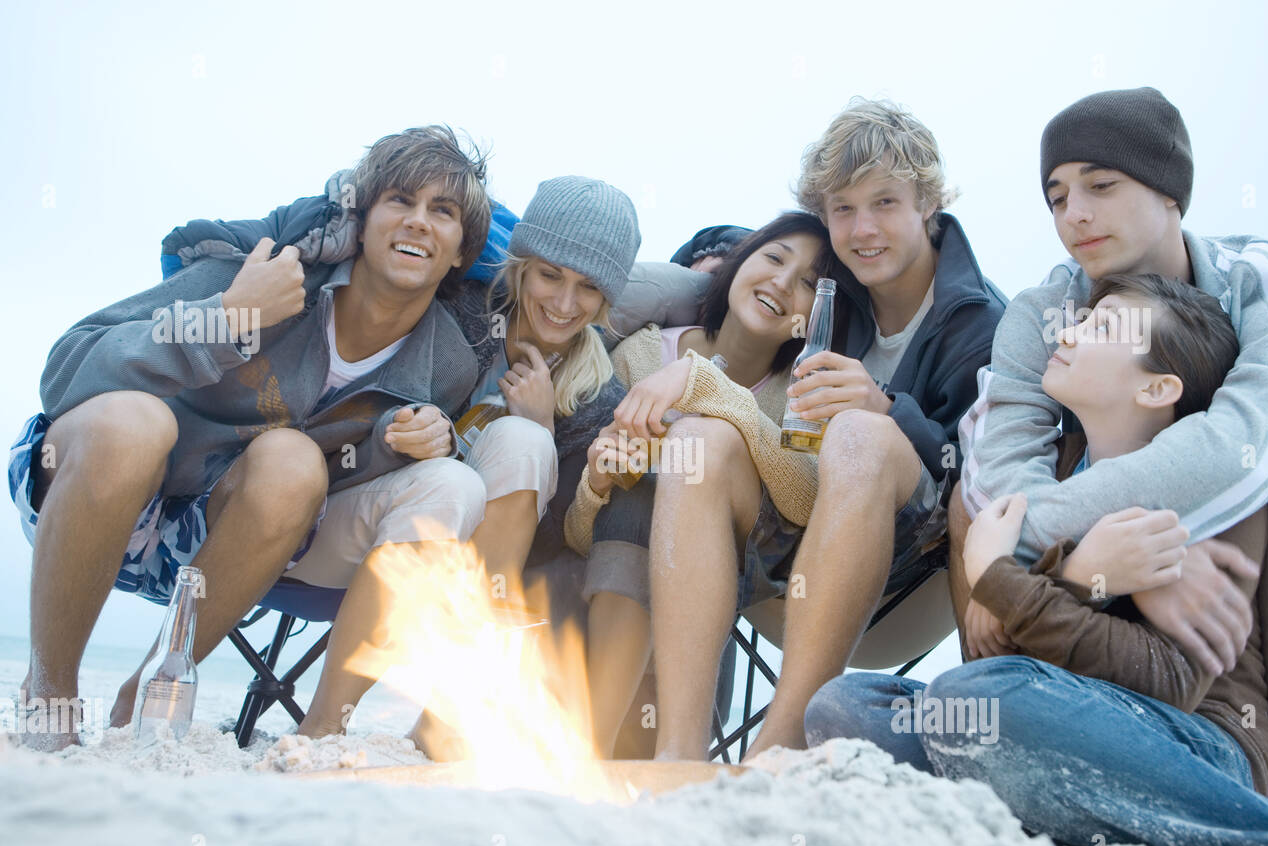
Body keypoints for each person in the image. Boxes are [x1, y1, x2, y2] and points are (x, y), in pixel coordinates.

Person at [808, 274, 1268, 846]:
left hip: (1195, 750)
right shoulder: (1052, 469)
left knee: (986, 701)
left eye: (1102, 327)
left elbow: (1168, 683)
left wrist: (1001, 580)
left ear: (1158, 387)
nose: (1068, 333)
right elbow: (1019, 650)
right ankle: (1059, 829)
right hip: (1064, 725)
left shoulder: (1212, 486)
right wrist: (1077, 574)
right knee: (848, 706)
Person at [10, 125, 494, 750]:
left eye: (443, 212)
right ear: (364, 221)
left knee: (292, 462)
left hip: (219, 543)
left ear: (460, 250)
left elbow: (331, 483)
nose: (419, 222)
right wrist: (229, 318)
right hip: (96, 488)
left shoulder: (447, 364)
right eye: (400, 200)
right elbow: (67, 368)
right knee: (137, 426)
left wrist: (398, 445)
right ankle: (49, 697)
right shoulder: (263, 267)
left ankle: (148, 693)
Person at [950, 87, 1268, 815]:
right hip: (1079, 631)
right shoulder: (1047, 311)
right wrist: (1088, 563)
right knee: (967, 500)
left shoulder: (1256, 278)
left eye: (1101, 186)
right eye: (1056, 196)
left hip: (1217, 683)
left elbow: (1243, 449)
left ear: (1171, 194)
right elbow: (999, 469)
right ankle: (997, 724)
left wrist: (1154, 540)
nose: (1073, 213)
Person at [631, 98, 1006, 761]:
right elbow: (720, 286)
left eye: (885, 203)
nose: (863, 229)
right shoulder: (828, 287)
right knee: (697, 440)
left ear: (929, 203)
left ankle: (777, 751)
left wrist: (887, 407)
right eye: (843, 209)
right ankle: (679, 758)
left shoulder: (978, 318)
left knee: (859, 433)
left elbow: (982, 475)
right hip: (793, 542)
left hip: (910, 578)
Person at [283, 174, 641, 748]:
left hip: (465, 574)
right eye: (550, 275)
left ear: (607, 299)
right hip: (346, 525)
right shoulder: (457, 309)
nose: (565, 304)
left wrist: (545, 428)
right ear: (521, 264)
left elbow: (543, 554)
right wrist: (408, 434)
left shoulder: (598, 399)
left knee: (525, 442)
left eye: (589, 288)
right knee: (449, 482)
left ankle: (440, 723)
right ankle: (324, 724)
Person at [563, 212, 832, 756]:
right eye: (774, 258)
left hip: (710, 615)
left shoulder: (806, 393)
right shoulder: (642, 352)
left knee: (689, 457)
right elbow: (575, 533)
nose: (782, 283)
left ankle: (630, 756)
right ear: (739, 265)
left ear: (820, 312)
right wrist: (595, 482)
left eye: (808, 281)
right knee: (638, 496)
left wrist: (703, 382)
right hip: (610, 599)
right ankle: (584, 755)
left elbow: (804, 500)